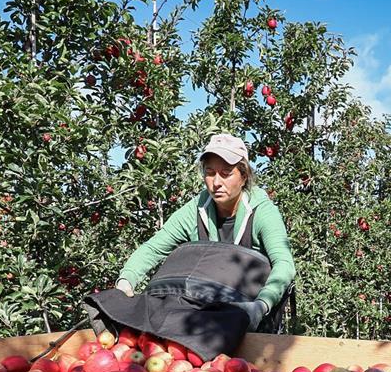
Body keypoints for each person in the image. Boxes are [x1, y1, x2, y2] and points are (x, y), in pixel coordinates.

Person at [112, 133, 294, 331]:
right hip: (204, 322)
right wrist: (125, 282)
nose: (216, 182)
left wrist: (261, 305)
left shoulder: (261, 212)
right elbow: (153, 249)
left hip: (251, 322)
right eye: (210, 172)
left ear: (244, 177)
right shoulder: (196, 209)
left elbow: (284, 264)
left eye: (226, 173)